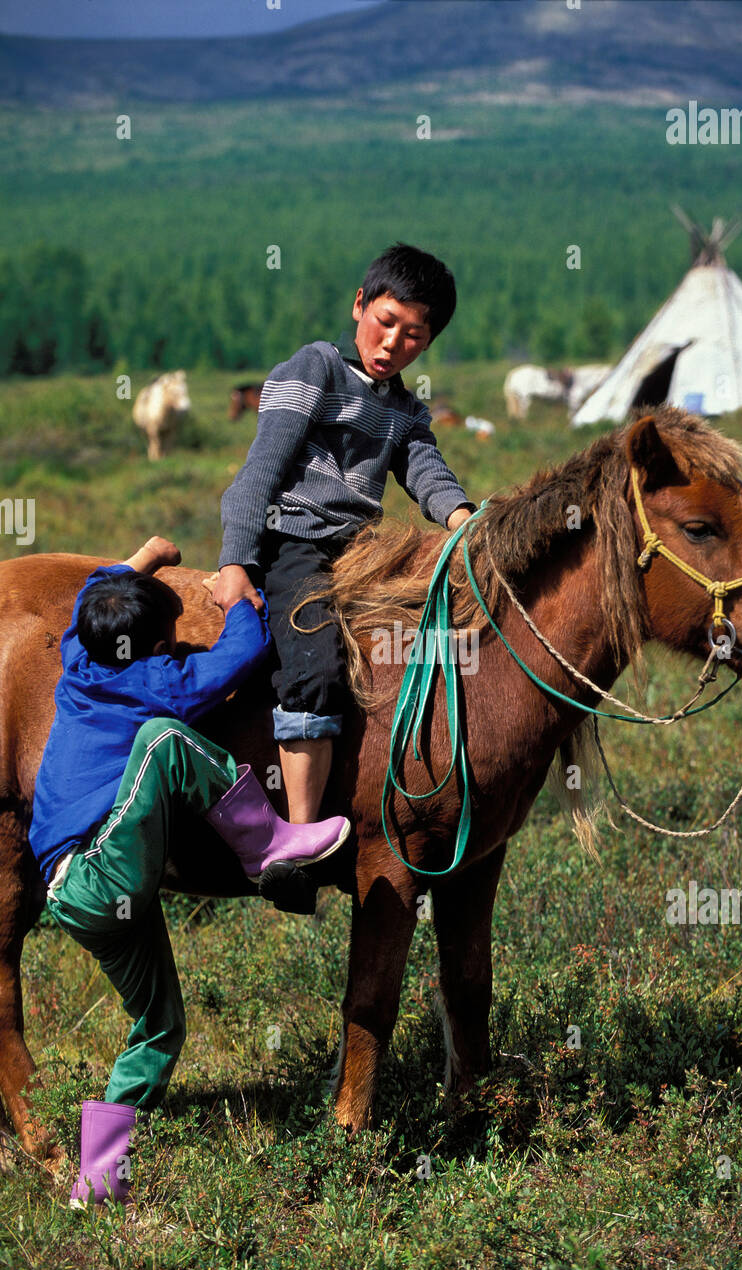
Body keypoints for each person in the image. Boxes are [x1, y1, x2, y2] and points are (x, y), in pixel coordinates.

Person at [29, 535, 349, 1206]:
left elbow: (94, 595)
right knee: (162, 742)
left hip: (77, 891)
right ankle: (268, 844)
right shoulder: (153, 682)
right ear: (150, 649)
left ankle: (98, 1175)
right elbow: (240, 658)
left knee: (160, 1027)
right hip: (99, 870)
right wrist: (240, 602)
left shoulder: (77, 655)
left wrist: (143, 559)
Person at [212, 242, 476, 848]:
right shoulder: (316, 369)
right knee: (313, 659)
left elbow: (426, 472)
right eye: (386, 323)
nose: (392, 345)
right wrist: (234, 562)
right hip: (296, 542)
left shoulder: (405, 409)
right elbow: (258, 475)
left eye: (413, 336)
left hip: (360, 548)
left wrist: (462, 516)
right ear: (360, 305)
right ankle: (297, 837)